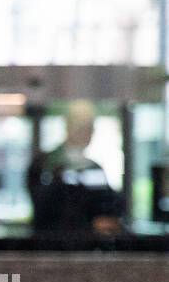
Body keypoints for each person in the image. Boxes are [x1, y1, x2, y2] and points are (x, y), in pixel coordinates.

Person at [26, 100, 123, 237]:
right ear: (68, 126)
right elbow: (44, 208)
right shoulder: (45, 164)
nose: (87, 133)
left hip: (88, 247)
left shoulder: (94, 168)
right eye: (82, 126)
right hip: (51, 245)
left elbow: (110, 205)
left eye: (90, 128)